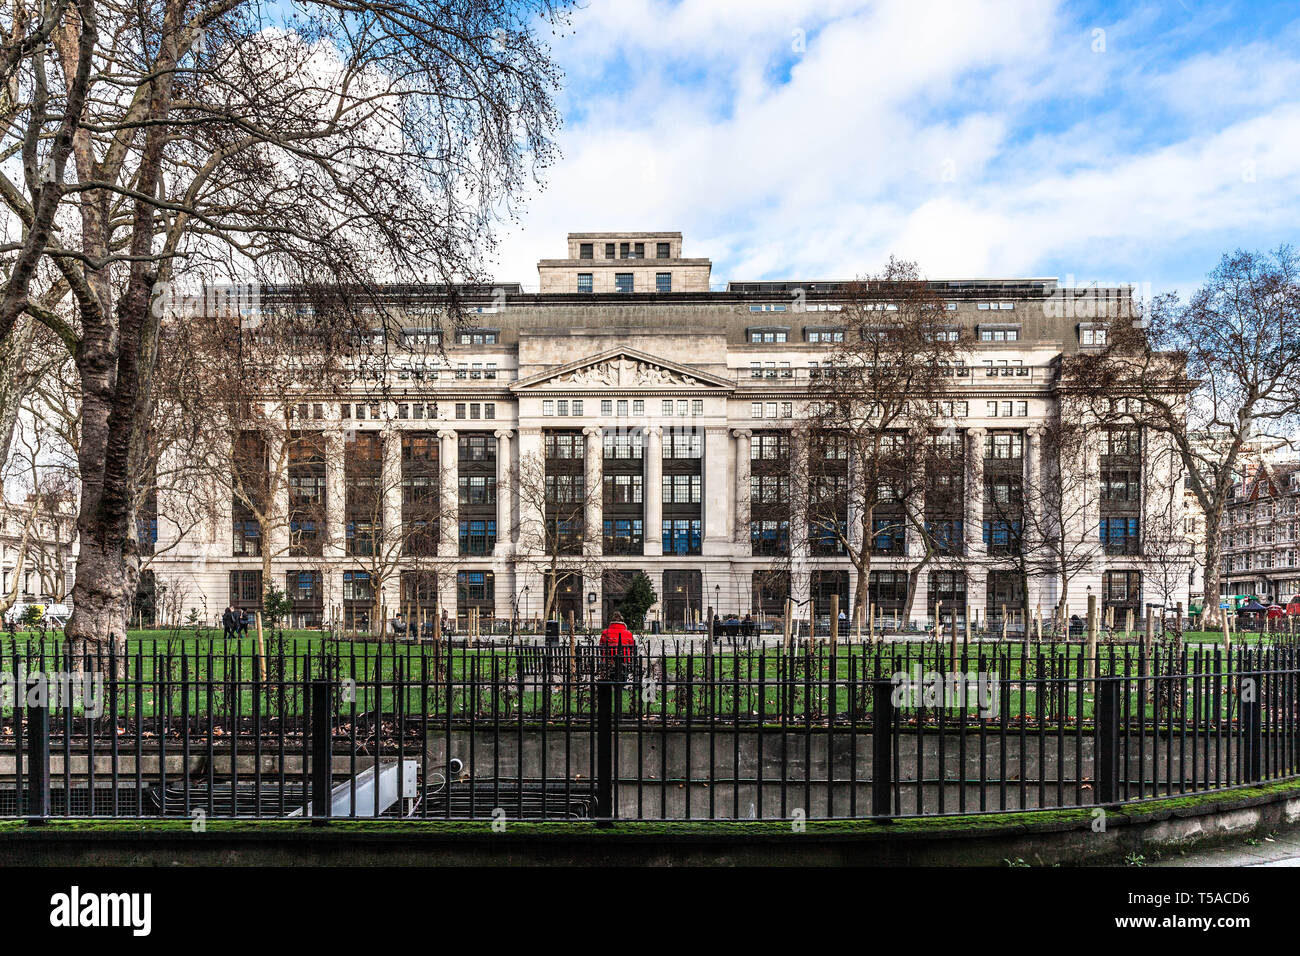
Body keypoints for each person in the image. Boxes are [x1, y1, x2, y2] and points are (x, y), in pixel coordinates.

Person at [599, 611, 636, 682]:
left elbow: (601, 646)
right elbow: (632, 647)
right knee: (623, 672)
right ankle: (622, 683)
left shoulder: (605, 632)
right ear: (623, 622)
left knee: (609, 672)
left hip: (608, 658)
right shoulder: (628, 633)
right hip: (624, 659)